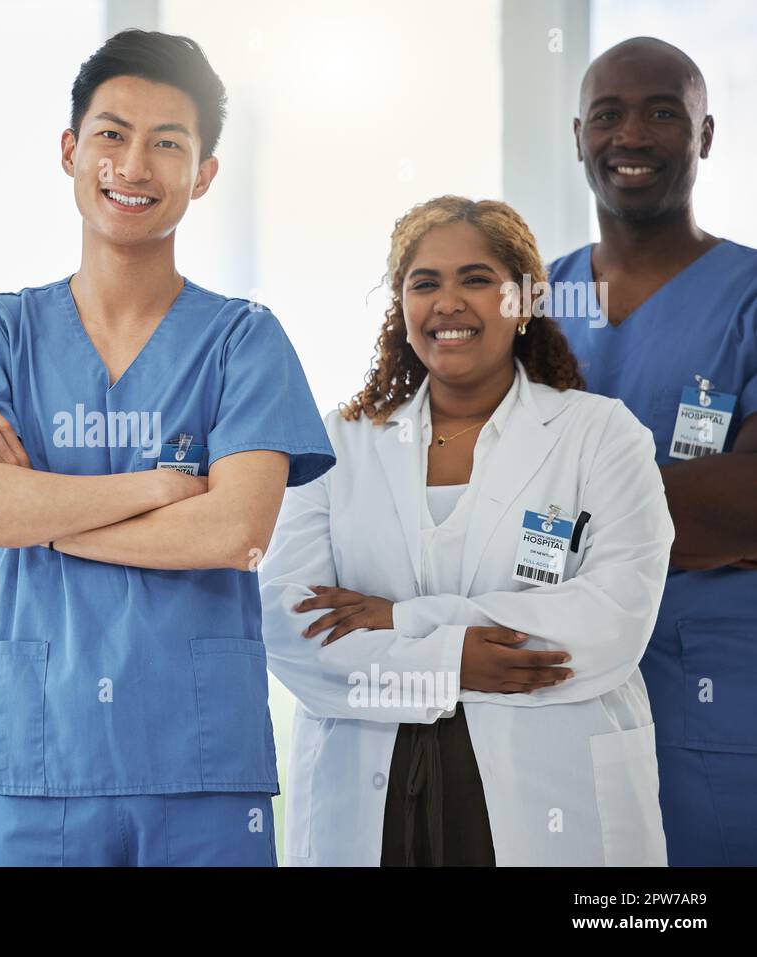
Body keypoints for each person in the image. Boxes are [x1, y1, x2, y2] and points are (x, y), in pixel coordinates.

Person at [0, 29, 333, 867]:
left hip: (200, 765)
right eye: (112, 135)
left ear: (205, 174)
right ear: (70, 150)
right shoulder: (2, 330)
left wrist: (37, 508)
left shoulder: (243, 341)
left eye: (168, 144)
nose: (134, 165)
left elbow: (235, 534)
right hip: (38, 760)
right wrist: (157, 485)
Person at [259, 196, 673, 866]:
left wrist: (402, 618)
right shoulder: (336, 444)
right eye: (425, 283)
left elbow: (610, 619)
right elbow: (293, 628)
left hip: (547, 793)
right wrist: (449, 663)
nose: (447, 301)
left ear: (525, 300)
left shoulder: (601, 436)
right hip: (371, 801)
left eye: (476, 279)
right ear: (401, 306)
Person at [548, 37, 757, 866]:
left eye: (664, 112)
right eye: (609, 114)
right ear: (578, 137)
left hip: (715, 689)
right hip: (553, 683)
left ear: (705, 135)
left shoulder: (747, 293)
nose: (631, 135)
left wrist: (554, 513)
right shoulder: (526, 300)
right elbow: (459, 480)